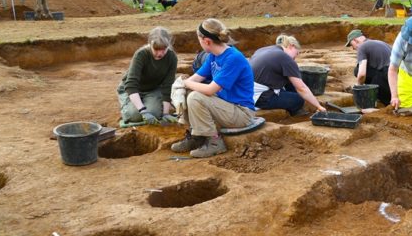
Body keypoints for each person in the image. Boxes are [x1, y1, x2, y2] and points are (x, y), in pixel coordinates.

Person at [170, 18, 257, 158]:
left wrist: (184, 82)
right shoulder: (213, 56)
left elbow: (210, 89)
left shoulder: (233, 58)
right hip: (227, 106)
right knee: (188, 91)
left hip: (242, 113)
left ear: (207, 41)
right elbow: (195, 79)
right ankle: (197, 136)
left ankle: (215, 142)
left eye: (199, 39)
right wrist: (182, 85)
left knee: (195, 96)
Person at [250, 34, 326, 116]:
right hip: (260, 98)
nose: (295, 58)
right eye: (297, 53)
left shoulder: (263, 49)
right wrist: (319, 106)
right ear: (291, 46)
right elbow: (301, 88)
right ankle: (295, 111)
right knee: (299, 99)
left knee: (291, 82)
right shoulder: (285, 57)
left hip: (248, 92)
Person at [117, 27, 178, 125]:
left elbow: (168, 85)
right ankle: (128, 103)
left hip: (152, 90)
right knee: (134, 116)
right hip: (133, 90)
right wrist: (143, 111)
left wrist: (166, 113)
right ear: (150, 44)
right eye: (156, 49)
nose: (160, 53)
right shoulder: (141, 54)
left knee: (154, 114)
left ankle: (151, 105)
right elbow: (131, 84)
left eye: (164, 49)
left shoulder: (171, 57)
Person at [345, 29, 391, 106]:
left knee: (357, 70)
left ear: (355, 40)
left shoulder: (362, 47)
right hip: (397, 80)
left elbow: (362, 74)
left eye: (351, 44)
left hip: (386, 79)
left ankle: (384, 100)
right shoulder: (379, 42)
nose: (352, 48)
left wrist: (358, 88)